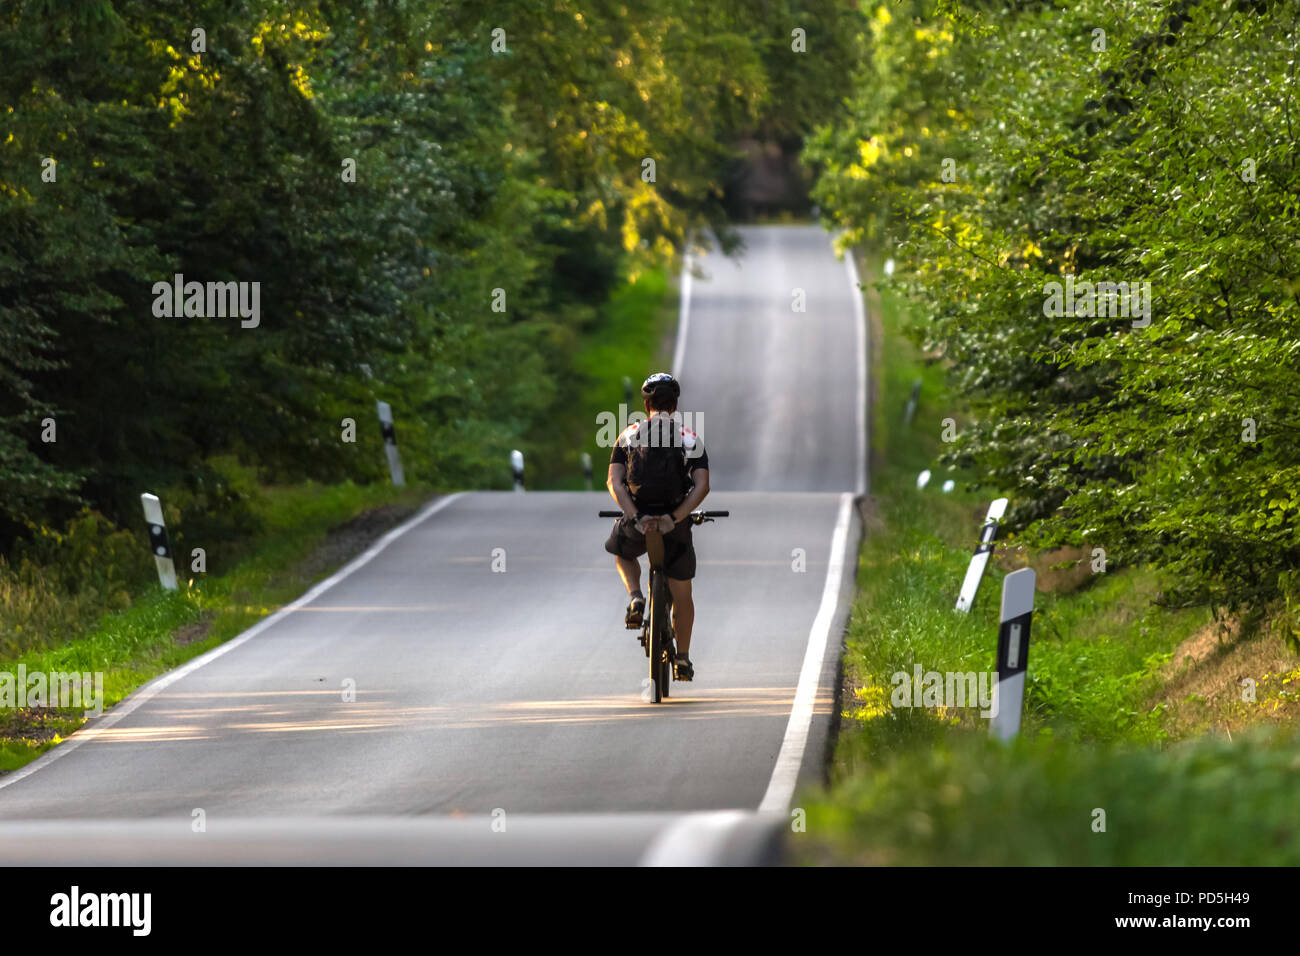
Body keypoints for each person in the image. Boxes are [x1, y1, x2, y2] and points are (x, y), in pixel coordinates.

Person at [604, 372, 710, 680]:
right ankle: (685, 659)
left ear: (646, 404)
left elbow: (615, 481)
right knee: (683, 595)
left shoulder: (628, 434)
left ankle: (636, 596)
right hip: (672, 526)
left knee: (622, 552)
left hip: (639, 522)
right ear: (675, 404)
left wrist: (635, 516)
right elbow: (702, 486)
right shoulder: (689, 437)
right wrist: (674, 518)